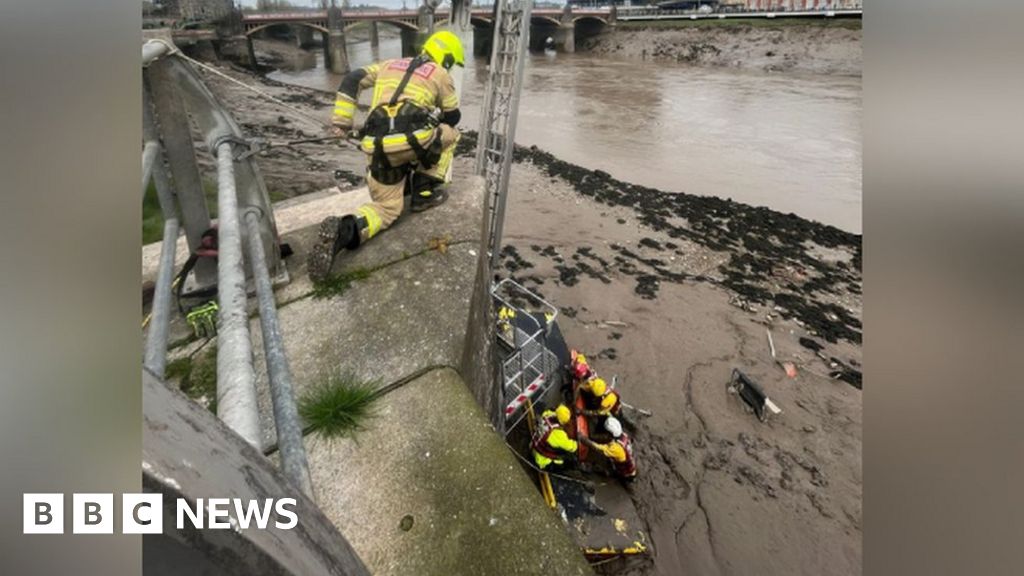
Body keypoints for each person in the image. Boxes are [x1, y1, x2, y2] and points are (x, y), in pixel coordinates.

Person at [308, 30, 465, 281]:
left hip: (377, 147)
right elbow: (453, 117)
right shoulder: (440, 74)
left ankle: (346, 230)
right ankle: (424, 192)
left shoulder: (388, 64)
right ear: (445, 57)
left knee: (387, 209)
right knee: (451, 134)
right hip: (414, 142)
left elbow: (352, 79)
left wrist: (342, 122)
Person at [531, 404, 578, 471]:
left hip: (534, 445)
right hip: (541, 460)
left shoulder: (548, 414)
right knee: (567, 458)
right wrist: (577, 443)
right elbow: (572, 447)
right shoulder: (558, 434)